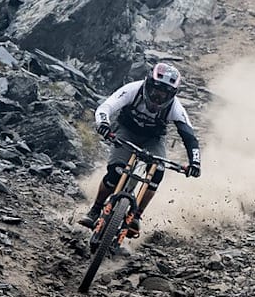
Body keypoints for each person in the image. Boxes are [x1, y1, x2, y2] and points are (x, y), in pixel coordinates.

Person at [78, 62, 202, 233]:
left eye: (164, 95)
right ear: (148, 84)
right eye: (155, 91)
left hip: (153, 139)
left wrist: (195, 162)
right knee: (115, 172)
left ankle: (135, 215)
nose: (158, 98)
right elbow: (106, 107)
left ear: (172, 95)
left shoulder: (175, 107)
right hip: (126, 132)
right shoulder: (133, 90)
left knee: (157, 172)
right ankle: (95, 209)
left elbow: (189, 137)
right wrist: (104, 124)